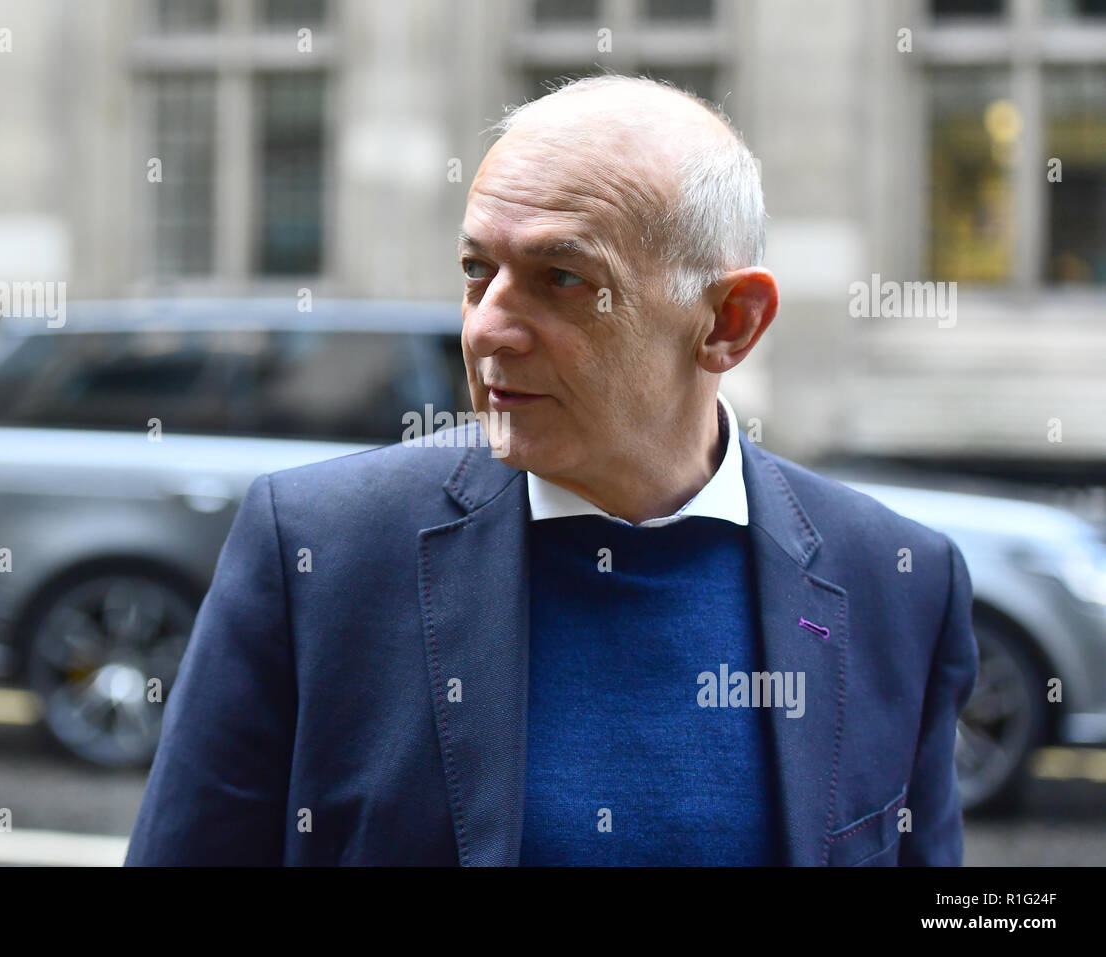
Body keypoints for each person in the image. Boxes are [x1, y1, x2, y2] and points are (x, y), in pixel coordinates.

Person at [125, 75, 978, 866]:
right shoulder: (316, 550)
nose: (486, 329)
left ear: (729, 321)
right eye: (476, 271)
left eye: (561, 278)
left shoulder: (900, 580)